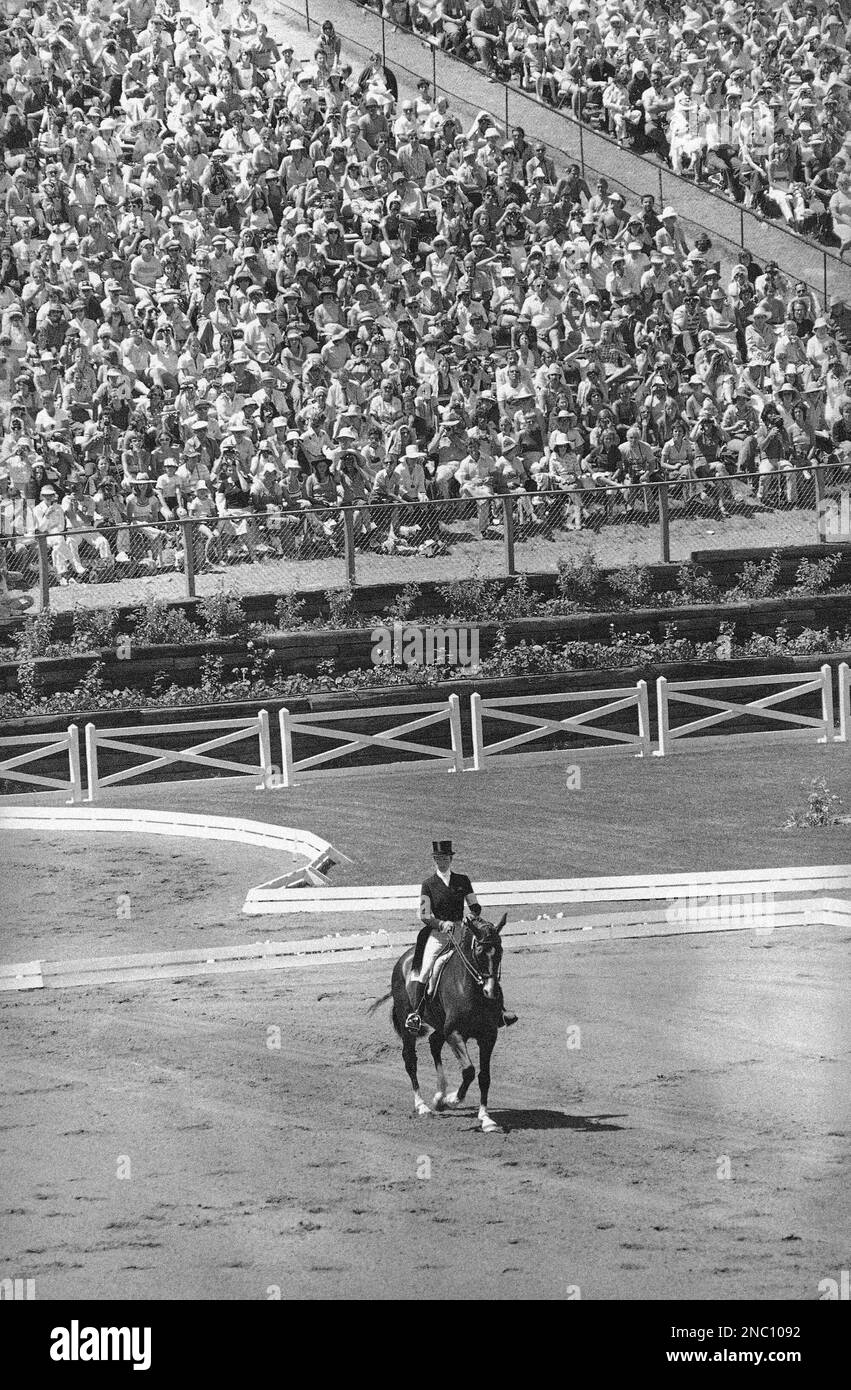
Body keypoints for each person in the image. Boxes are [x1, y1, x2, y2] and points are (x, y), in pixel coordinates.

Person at [405, 839, 517, 1032]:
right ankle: (416, 1013)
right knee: (426, 970)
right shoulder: (428, 885)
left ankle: (499, 1011)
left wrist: (470, 917)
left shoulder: (462, 881)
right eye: (439, 858)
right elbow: (424, 914)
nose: (443, 861)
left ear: (451, 859)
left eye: (446, 858)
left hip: (462, 932)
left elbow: (475, 907)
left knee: (483, 963)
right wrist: (440, 923)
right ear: (434, 860)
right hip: (438, 935)